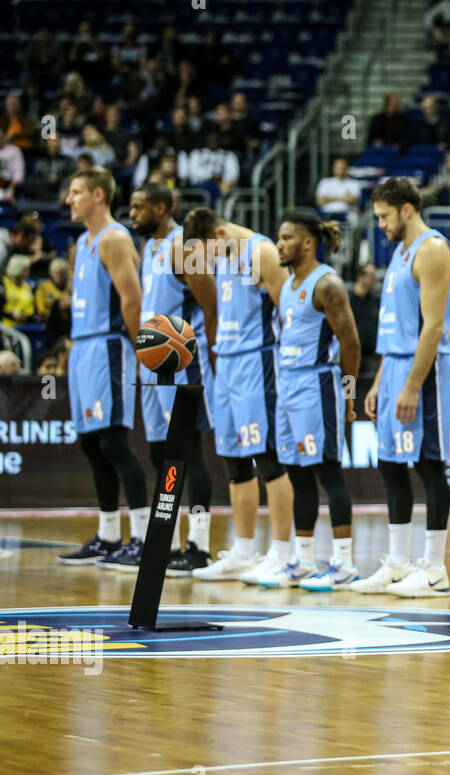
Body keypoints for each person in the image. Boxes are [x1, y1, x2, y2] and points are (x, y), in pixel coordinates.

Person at [351, 178, 450, 597]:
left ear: (407, 209)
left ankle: (434, 570)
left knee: (428, 465)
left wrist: (412, 386)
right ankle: (397, 564)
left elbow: (433, 326)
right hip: (395, 366)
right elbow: (395, 326)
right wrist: (380, 381)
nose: (380, 224)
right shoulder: (398, 252)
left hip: (424, 371)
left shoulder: (432, 249)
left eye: (384, 216)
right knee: (391, 464)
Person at [182, 208, 296, 585]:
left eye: (207, 250)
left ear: (219, 231)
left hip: (257, 361)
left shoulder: (262, 252)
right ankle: (244, 552)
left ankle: (283, 553)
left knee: (267, 456)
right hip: (225, 364)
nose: (207, 260)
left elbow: (289, 313)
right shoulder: (223, 252)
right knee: (233, 460)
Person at [55, 168, 151, 571]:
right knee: (92, 444)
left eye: (75, 192)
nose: (68, 200)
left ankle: (145, 537)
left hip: (111, 347)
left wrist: (143, 354)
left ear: (98, 195)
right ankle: (109, 536)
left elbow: (132, 301)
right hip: (85, 347)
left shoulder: (114, 238)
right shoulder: (82, 241)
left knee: (113, 441)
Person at [127, 182, 217, 575]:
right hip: (153, 361)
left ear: (163, 207)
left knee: (189, 452)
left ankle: (198, 545)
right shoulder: (150, 248)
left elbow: (211, 302)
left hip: (182, 361)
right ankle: (164, 539)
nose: (132, 214)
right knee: (159, 452)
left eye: (138, 206)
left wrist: (210, 352)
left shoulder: (186, 246)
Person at [271, 213, 363, 591]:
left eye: (286, 237)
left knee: (328, 472)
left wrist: (348, 396)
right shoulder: (288, 284)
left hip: (317, 383)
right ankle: (304, 559)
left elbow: (352, 344)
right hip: (288, 385)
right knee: (297, 472)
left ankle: (344, 563)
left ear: (307, 243)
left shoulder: (327, 284)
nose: (279, 244)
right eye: (278, 237)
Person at [2, 255, 33, 327]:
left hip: (24, 326)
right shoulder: (3, 283)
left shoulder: (27, 286)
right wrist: (10, 315)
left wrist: (25, 316)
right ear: (18, 268)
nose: (28, 272)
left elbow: (31, 308)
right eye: (26, 269)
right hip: (5, 326)